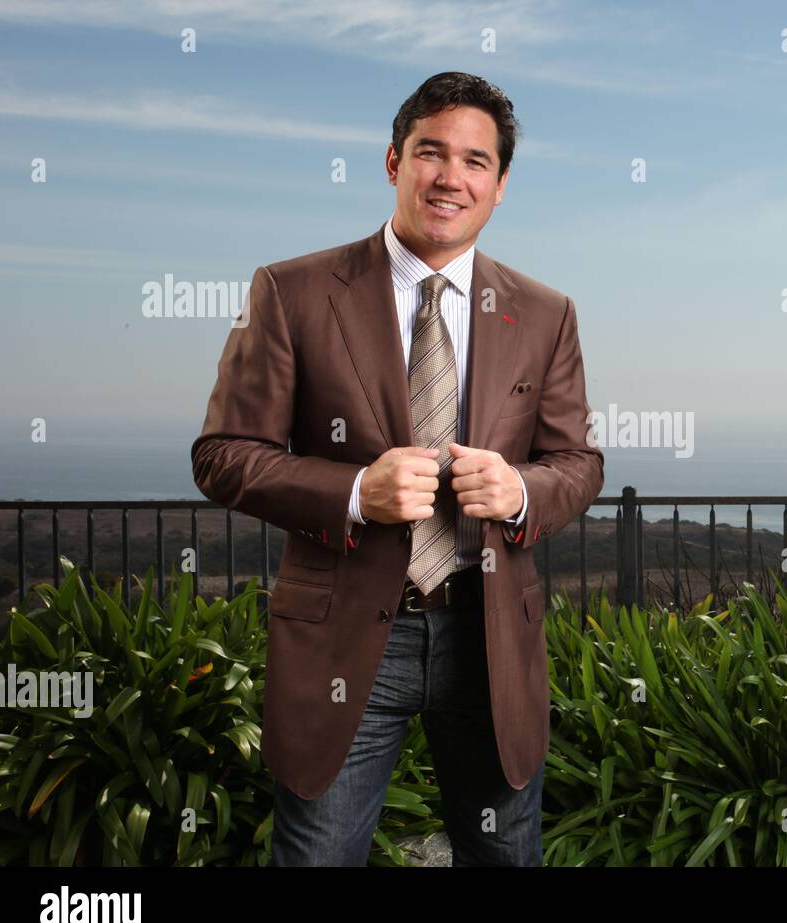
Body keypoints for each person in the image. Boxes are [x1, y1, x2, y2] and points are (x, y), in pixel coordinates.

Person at [190, 71, 604, 866]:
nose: (452, 177)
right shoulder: (292, 291)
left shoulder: (546, 314)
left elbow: (577, 464)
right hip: (346, 644)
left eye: (475, 162)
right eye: (431, 153)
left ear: (500, 186)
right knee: (318, 857)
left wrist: (521, 491)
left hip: (488, 643)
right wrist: (352, 492)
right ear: (392, 162)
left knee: (504, 857)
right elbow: (223, 455)